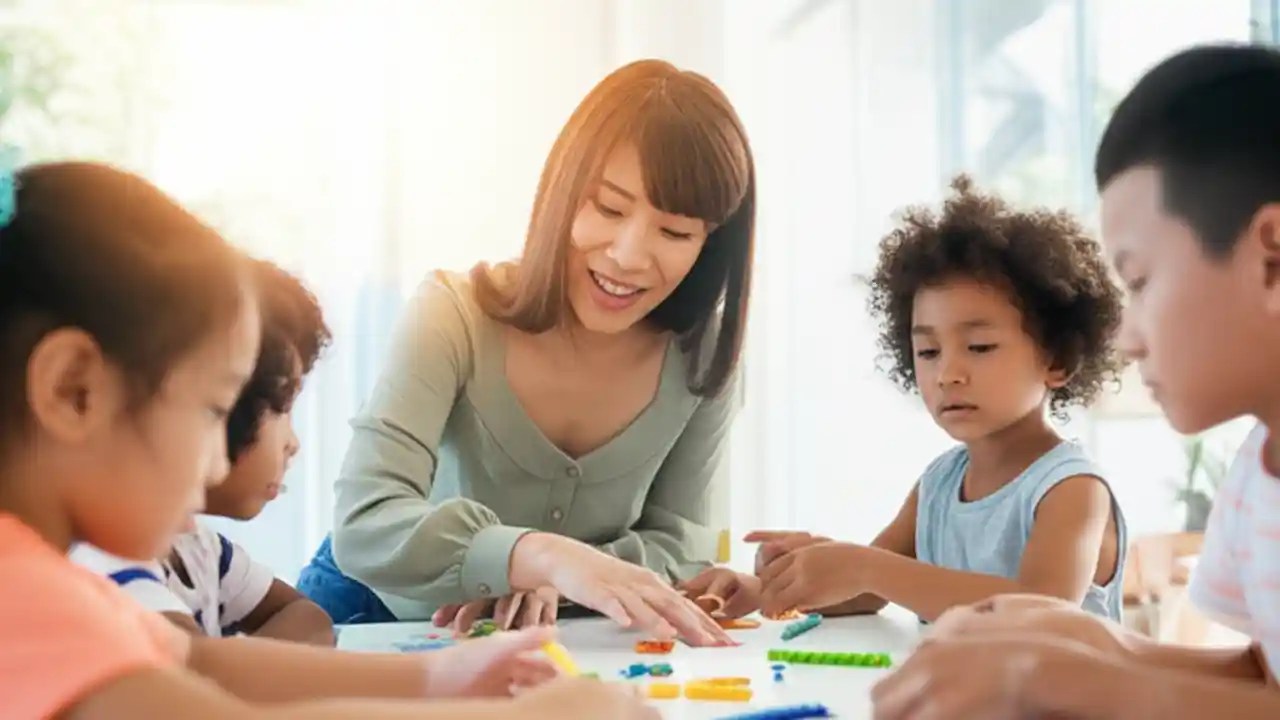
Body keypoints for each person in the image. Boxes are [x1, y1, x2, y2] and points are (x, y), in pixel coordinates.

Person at [0, 159, 654, 720]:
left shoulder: (58, 591)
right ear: (73, 390)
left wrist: (440, 680)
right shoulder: (22, 598)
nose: (218, 459)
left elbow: (204, 661)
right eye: (210, 410)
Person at [871, 44, 1280, 720]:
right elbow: (1262, 675)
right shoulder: (1254, 477)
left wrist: (1096, 681)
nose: (1126, 336)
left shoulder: (1070, 487)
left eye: (1142, 281)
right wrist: (1089, 641)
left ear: (1272, 259)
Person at [298, 59, 758, 645]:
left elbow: (682, 545)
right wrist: (533, 556)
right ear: (563, 192)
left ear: (710, 245)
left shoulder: (706, 359)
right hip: (375, 612)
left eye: (675, 233)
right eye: (610, 208)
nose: (628, 256)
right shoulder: (453, 312)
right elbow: (367, 524)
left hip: (569, 633)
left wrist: (561, 581)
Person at [748, 176, 1128, 623]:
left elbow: (1039, 608)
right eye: (928, 352)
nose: (947, 374)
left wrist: (866, 566)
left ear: (1058, 359)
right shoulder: (939, 485)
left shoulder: (1071, 489)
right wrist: (782, 578)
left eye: (980, 347)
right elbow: (865, 592)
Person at [72, 259, 336, 645]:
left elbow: (310, 617)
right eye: (279, 405)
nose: (293, 442)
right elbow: (191, 668)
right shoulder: (104, 558)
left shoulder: (199, 549)